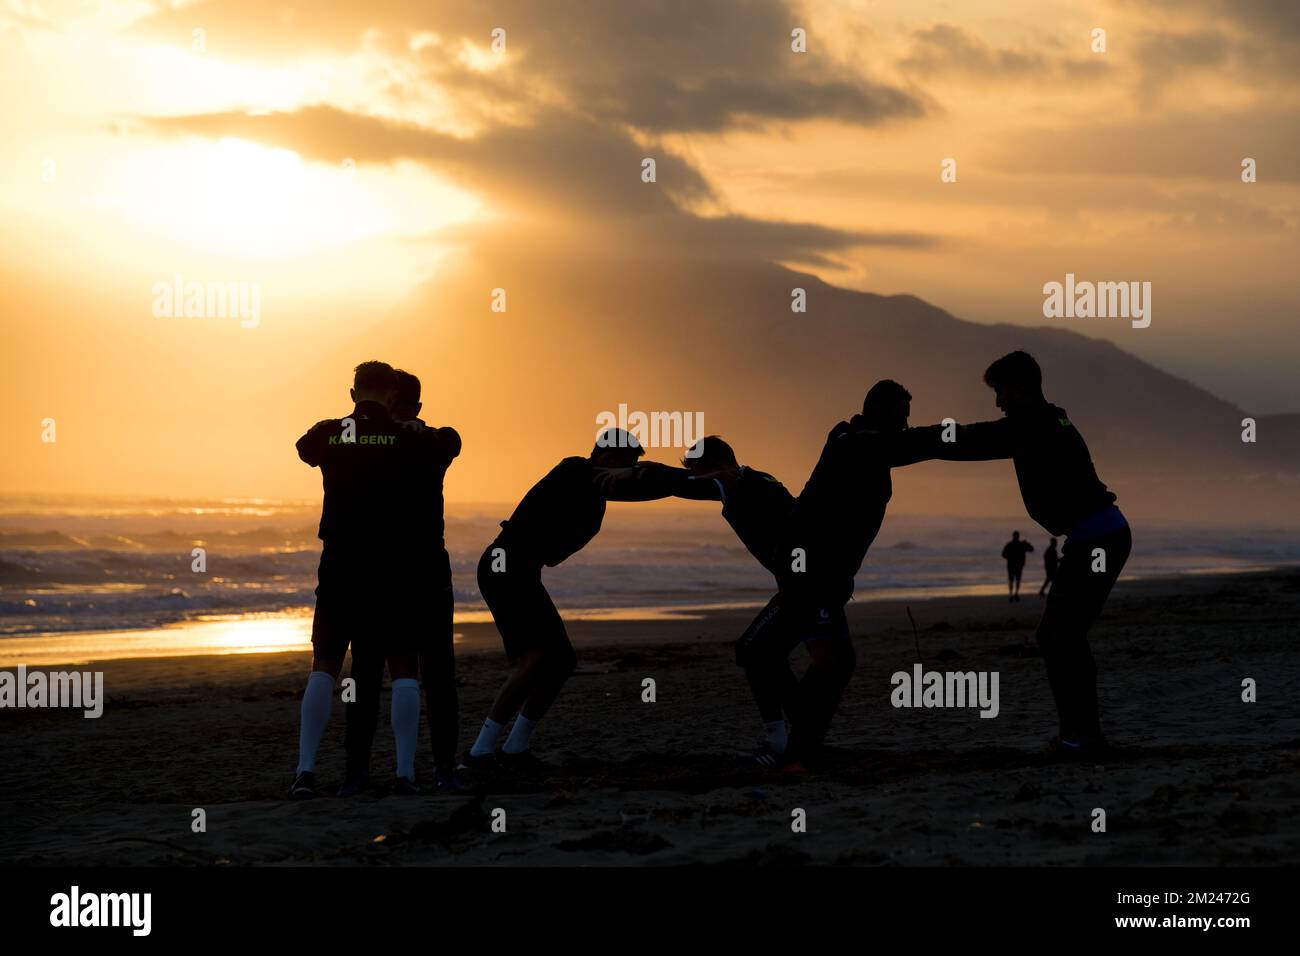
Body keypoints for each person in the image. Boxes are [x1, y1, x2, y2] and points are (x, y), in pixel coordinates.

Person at [912, 351, 1131, 758]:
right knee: (1064, 636)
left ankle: (1079, 737)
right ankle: (1083, 735)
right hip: (1100, 535)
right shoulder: (1050, 419)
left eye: (1000, 392)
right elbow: (972, 439)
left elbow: (966, 439)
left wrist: (900, 444)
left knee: (1057, 635)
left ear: (1022, 388)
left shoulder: (1033, 424)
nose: (997, 402)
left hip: (1097, 538)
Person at [288, 361, 452, 799]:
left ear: (352, 391)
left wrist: (343, 424)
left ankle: (306, 771)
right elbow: (443, 446)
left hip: (342, 563)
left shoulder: (334, 433)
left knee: (325, 664)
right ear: (393, 394)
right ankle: (404, 773)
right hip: (394, 566)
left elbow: (305, 447)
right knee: (402, 666)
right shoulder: (406, 436)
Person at [460, 428, 663, 769]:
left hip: (520, 572)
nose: (623, 475)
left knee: (561, 660)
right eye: (623, 465)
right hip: (504, 567)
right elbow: (634, 483)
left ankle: (515, 748)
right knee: (537, 657)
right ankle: (479, 753)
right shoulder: (574, 470)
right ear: (607, 459)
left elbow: (553, 553)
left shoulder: (597, 497)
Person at [593, 436, 800, 766]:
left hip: (806, 587)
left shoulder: (737, 482)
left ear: (715, 466)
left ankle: (784, 743)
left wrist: (634, 472)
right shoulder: (760, 478)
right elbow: (680, 481)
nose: (694, 477)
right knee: (771, 654)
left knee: (753, 652)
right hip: (812, 581)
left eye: (697, 471)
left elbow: (678, 483)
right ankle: (804, 734)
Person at [778, 379, 933, 771]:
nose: (904, 426)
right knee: (832, 662)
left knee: (837, 662)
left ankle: (802, 742)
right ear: (880, 413)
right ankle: (798, 751)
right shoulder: (852, 443)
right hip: (811, 573)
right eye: (900, 417)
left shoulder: (866, 442)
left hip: (826, 576)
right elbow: (912, 445)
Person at [336, 369, 462, 796]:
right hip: (428, 566)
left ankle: (357, 772)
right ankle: (443, 768)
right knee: (439, 672)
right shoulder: (438, 440)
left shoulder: (381, 441)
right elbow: (449, 443)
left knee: (367, 671)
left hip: (378, 569)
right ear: (419, 406)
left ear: (386, 402)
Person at [1001, 531, 1034, 601]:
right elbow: (1031, 549)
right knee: (1018, 580)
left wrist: (1010, 557)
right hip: (1019, 565)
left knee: (1011, 580)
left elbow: (1003, 555)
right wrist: (1027, 543)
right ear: (1018, 536)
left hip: (1011, 565)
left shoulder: (1009, 545)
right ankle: (1016, 593)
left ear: (1013, 536)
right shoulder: (1022, 544)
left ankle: (1011, 594)